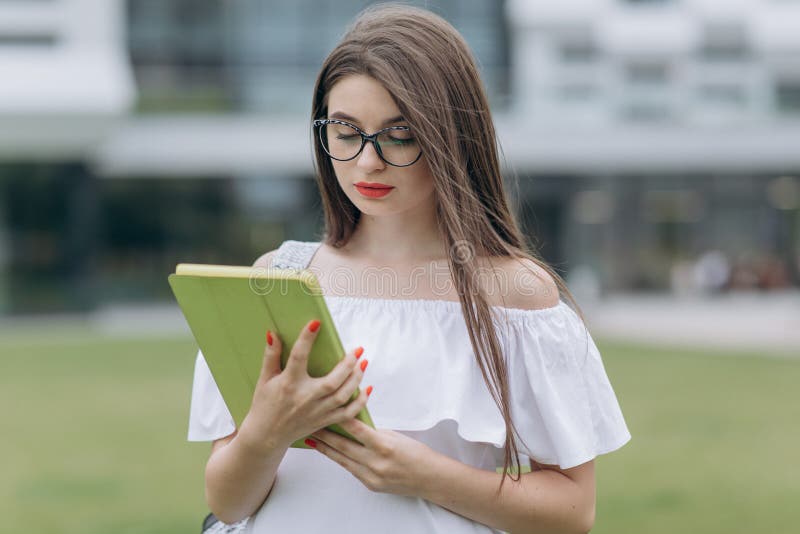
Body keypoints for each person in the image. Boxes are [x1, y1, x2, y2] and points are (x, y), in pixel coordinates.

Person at [188, 4, 631, 533]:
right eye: (345, 132)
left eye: (400, 135)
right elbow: (229, 503)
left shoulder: (515, 295)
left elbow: (573, 513)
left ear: (452, 139)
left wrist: (425, 475)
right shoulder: (277, 280)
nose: (367, 162)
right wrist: (267, 432)